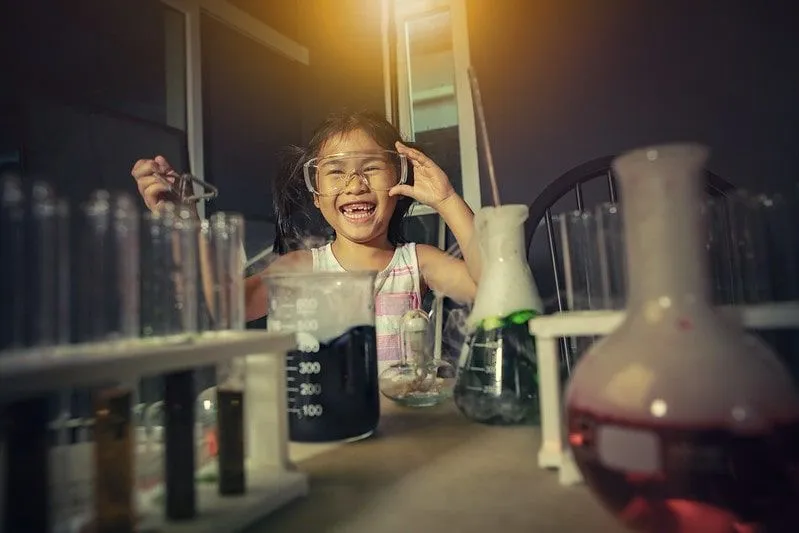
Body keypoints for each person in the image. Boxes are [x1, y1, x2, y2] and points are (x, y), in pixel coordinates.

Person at [131, 110, 479, 367]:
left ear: (400, 182)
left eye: (371, 168)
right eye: (336, 172)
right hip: (330, 427)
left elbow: (490, 285)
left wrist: (448, 200)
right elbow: (226, 306)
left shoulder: (420, 261)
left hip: (405, 427)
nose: (354, 185)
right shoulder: (302, 268)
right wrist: (185, 224)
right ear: (315, 192)